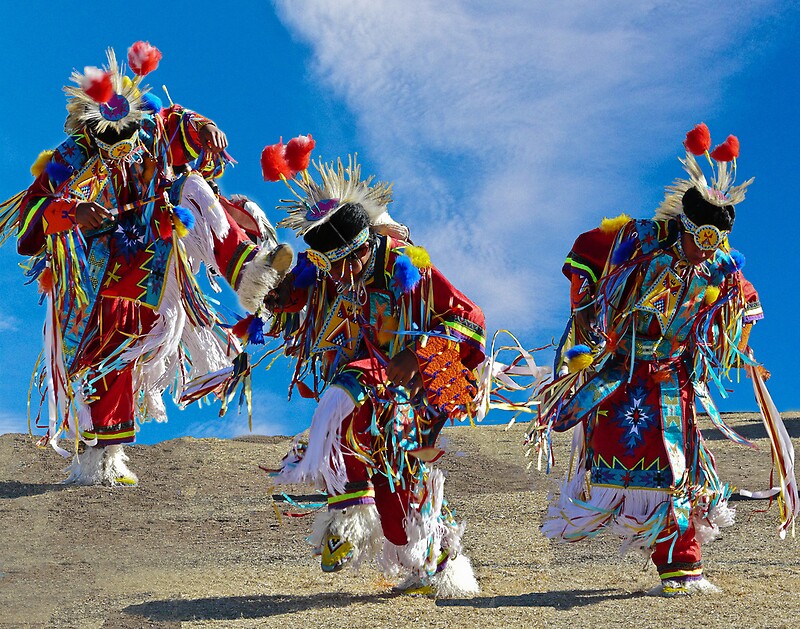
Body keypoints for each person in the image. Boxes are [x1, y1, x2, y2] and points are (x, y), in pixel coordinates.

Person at [2, 43, 291, 485]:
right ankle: (102, 456)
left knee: (193, 186)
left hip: (157, 240)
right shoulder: (70, 157)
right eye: (108, 139)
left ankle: (248, 272)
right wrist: (72, 213)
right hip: (98, 267)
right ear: (89, 130)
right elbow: (31, 218)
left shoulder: (152, 127)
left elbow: (181, 122)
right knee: (110, 351)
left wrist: (206, 128)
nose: (119, 145)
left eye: (126, 135)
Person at [528, 123, 798, 596]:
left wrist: (740, 341)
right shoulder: (640, 238)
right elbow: (586, 252)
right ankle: (644, 538)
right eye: (699, 240)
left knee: (676, 468)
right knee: (621, 458)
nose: (703, 253)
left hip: (672, 378)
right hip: (622, 368)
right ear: (685, 227)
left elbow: (744, 299)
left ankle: (680, 567)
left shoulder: (718, 264)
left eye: (714, 245)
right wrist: (587, 314)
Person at [262, 153, 485, 597]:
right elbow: (290, 295)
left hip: (408, 389)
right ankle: (390, 536)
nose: (343, 274)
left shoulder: (410, 266)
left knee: (351, 420)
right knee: (380, 467)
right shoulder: (326, 268)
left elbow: (470, 318)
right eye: (333, 265)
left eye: (351, 259)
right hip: (367, 377)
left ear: (368, 242)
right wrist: (274, 292)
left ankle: (393, 540)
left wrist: (419, 354)